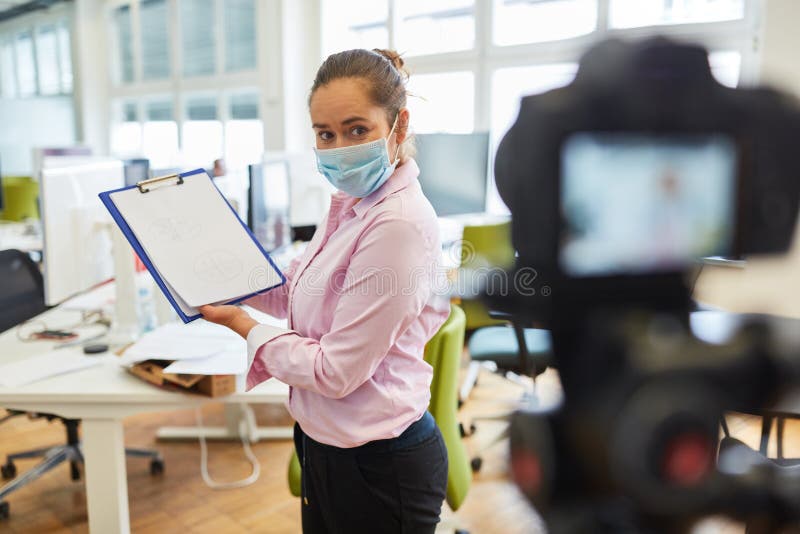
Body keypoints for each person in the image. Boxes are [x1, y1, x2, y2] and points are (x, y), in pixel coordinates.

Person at [200, 48, 450, 534]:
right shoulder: (353, 203)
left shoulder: (395, 224)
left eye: (357, 130)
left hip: (379, 464)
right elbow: (301, 290)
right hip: (326, 445)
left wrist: (242, 325)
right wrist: (234, 284)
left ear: (398, 127)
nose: (338, 147)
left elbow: (335, 371)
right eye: (325, 134)